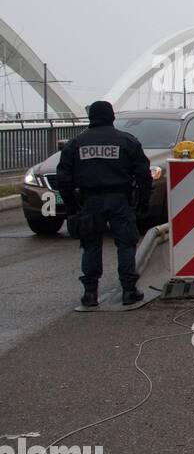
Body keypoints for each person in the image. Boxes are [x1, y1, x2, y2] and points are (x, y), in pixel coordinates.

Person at [56, 101, 152, 308]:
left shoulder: (76, 144)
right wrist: (143, 202)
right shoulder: (127, 141)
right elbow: (144, 174)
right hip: (120, 199)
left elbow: (63, 178)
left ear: (90, 118)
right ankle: (129, 290)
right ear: (112, 117)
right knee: (125, 243)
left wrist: (72, 206)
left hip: (90, 200)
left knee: (90, 244)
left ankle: (90, 293)